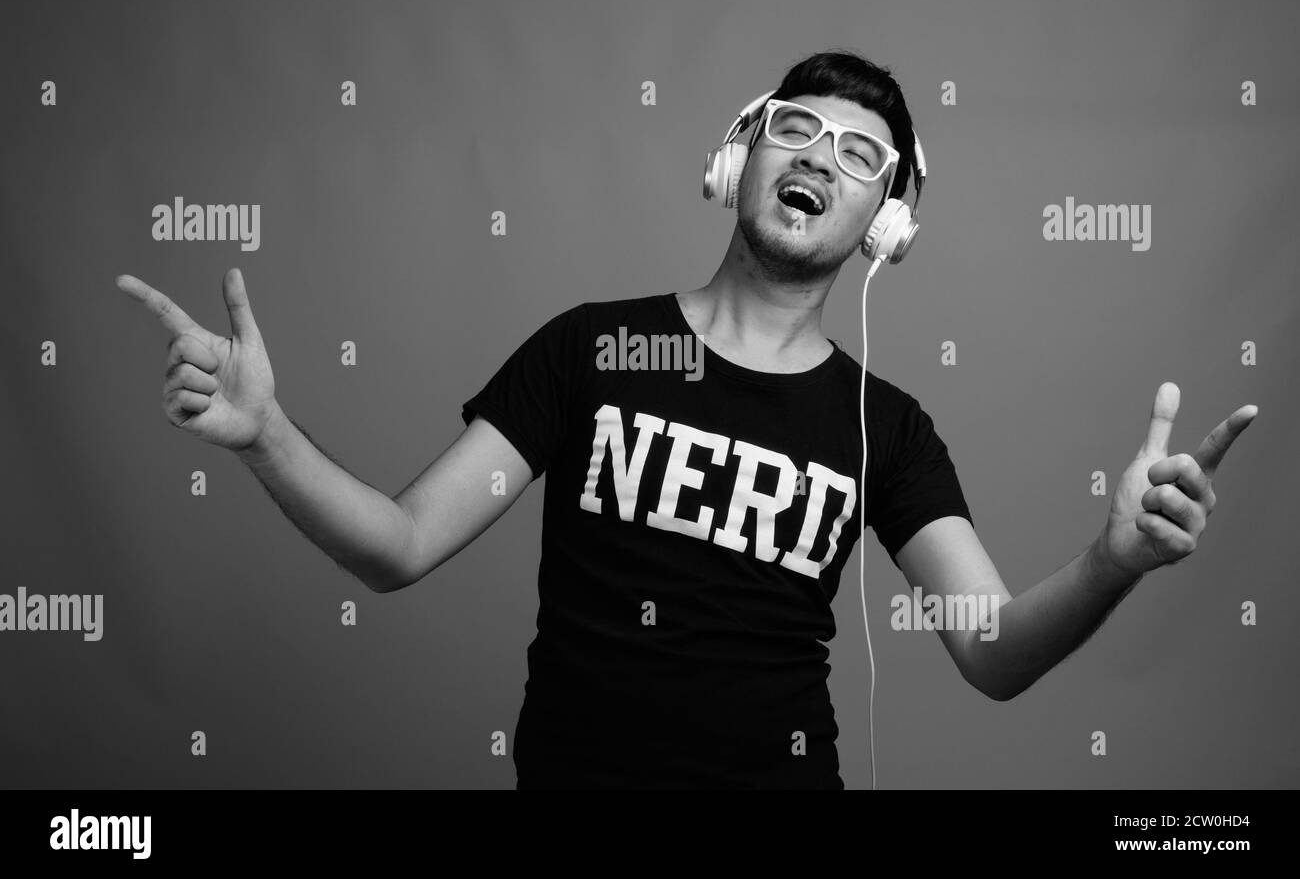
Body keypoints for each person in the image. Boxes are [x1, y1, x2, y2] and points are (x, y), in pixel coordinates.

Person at [116, 49, 1257, 790]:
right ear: (738, 157)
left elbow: (991, 653)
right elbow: (400, 547)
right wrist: (264, 433)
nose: (821, 158)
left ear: (885, 225)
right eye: (797, 129)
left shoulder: (884, 428)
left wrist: (1114, 562)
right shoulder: (597, 348)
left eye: (862, 157)